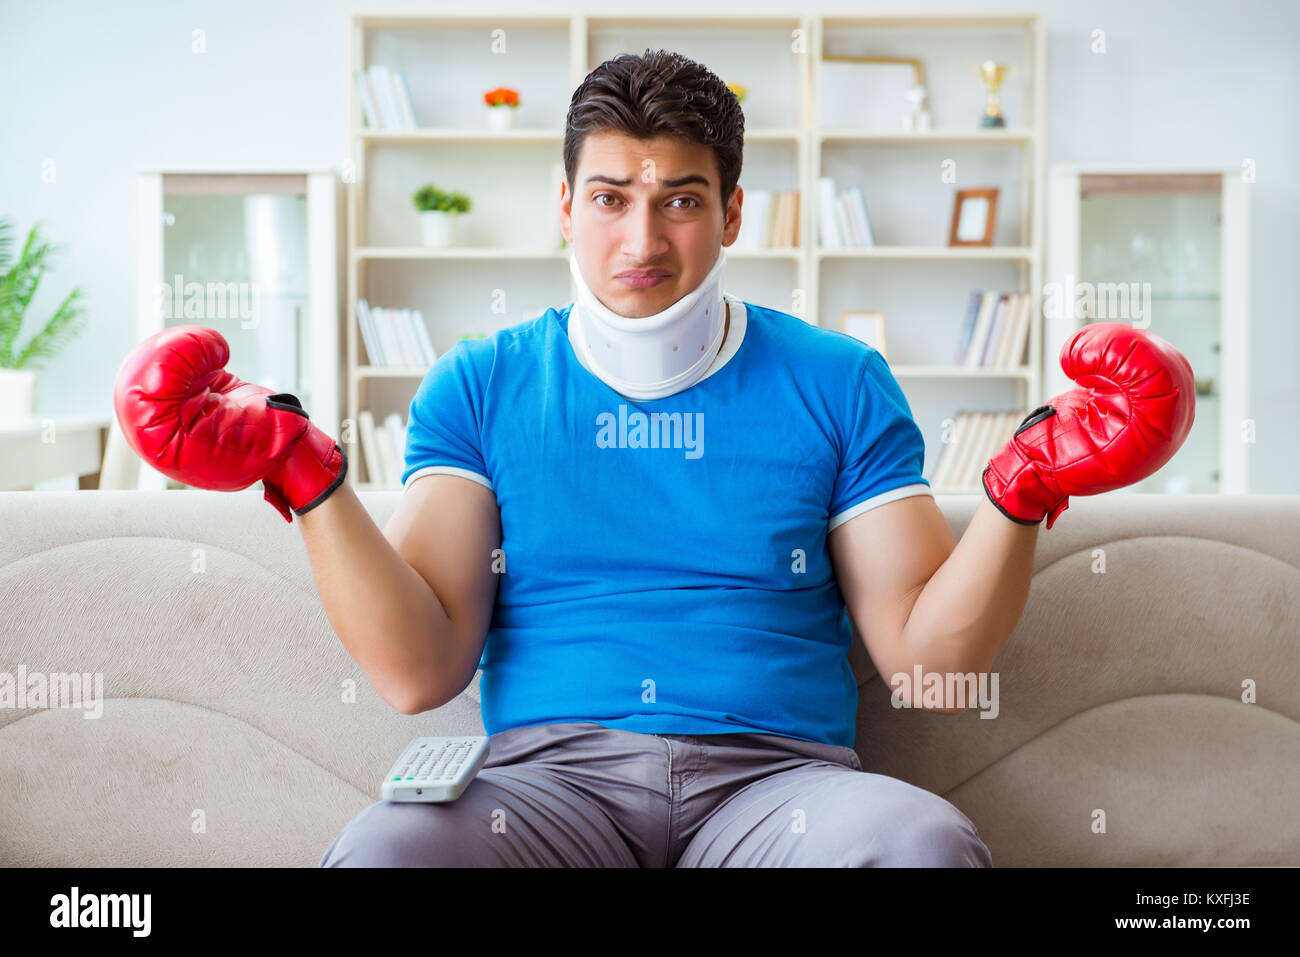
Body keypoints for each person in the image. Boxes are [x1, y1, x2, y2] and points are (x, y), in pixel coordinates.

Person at [113, 49, 1195, 868]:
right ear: (566, 208)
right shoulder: (481, 382)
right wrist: (305, 480)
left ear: (729, 212)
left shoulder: (836, 379)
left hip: (779, 784)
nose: (642, 240)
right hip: (542, 783)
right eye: (611, 199)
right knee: (385, 854)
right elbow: (418, 671)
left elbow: (928, 666)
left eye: (679, 199)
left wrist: (1022, 488)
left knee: (919, 847)